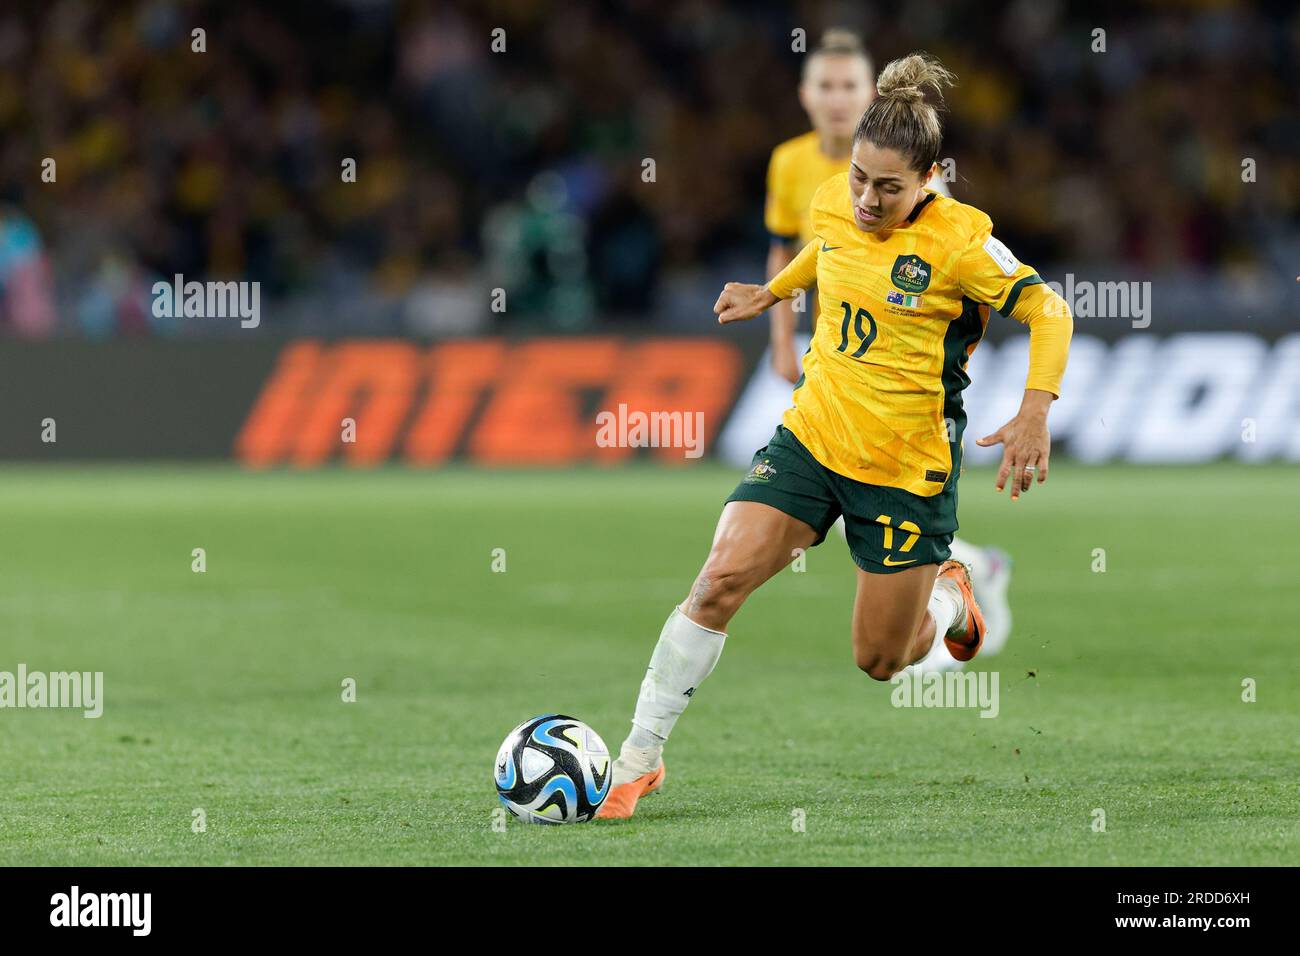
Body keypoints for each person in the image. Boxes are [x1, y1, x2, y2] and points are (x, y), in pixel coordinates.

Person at [598, 52, 1072, 820]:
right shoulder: (833, 201)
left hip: (904, 466)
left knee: (881, 659)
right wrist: (772, 293)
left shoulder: (961, 241)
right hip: (814, 436)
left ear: (927, 181)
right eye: (858, 178)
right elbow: (830, 252)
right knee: (719, 577)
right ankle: (638, 759)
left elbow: (1049, 310)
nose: (866, 199)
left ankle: (954, 597)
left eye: (889, 188)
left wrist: (1035, 409)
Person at [765, 31, 1013, 671]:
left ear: (868, 94)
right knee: (839, 483)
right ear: (806, 95)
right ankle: (960, 564)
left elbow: (950, 284)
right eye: (826, 86)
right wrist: (779, 330)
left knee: (869, 498)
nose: (838, 98)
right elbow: (798, 247)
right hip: (831, 355)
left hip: (896, 377)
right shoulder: (792, 166)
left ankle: (956, 565)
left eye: (850, 86)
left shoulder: (920, 192)